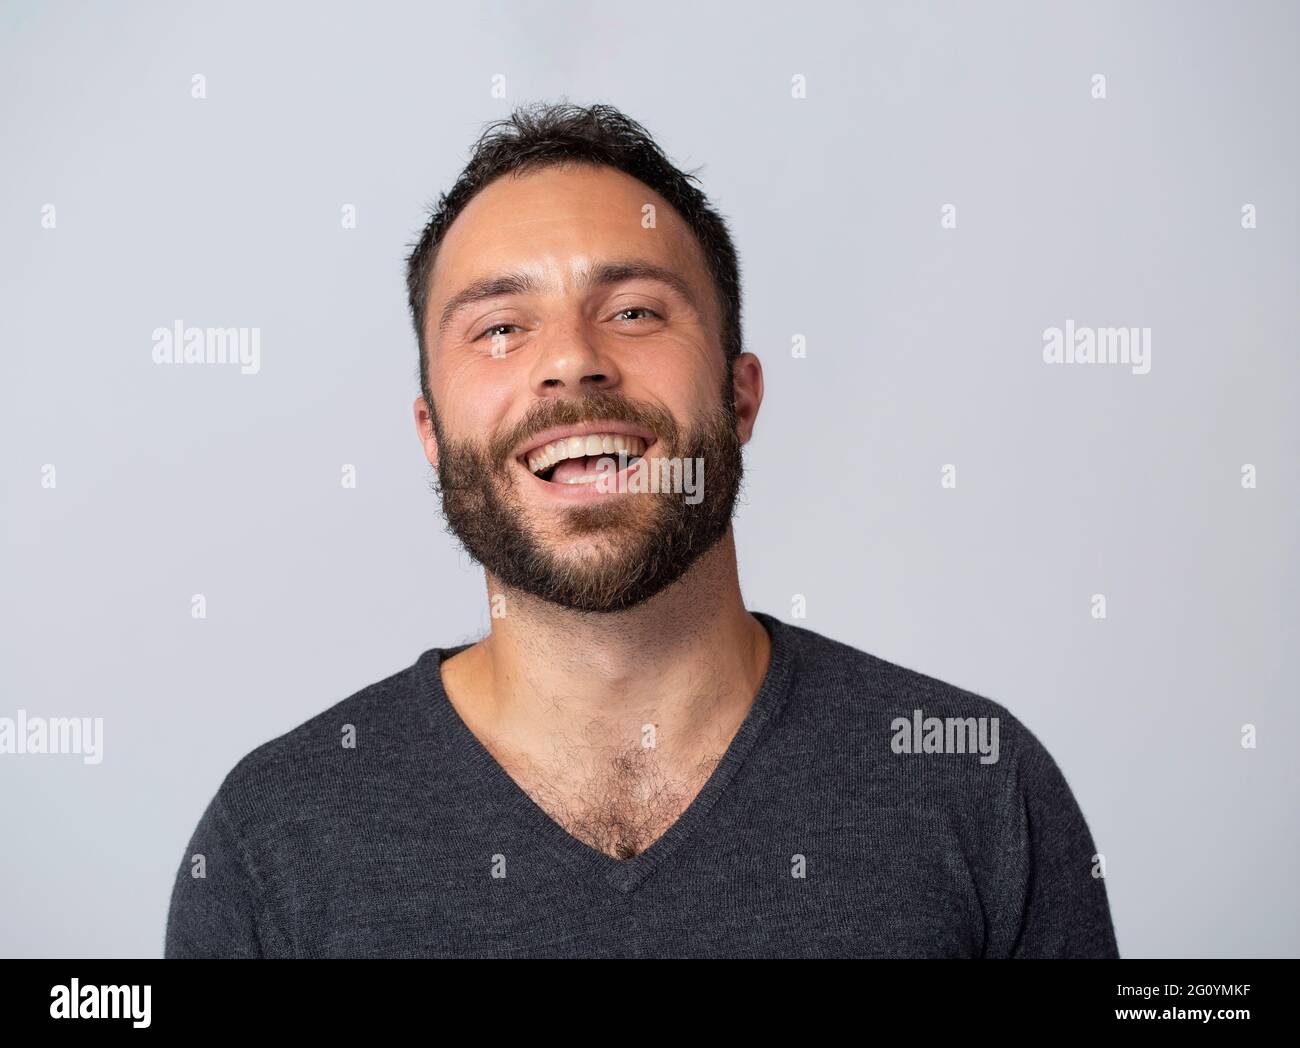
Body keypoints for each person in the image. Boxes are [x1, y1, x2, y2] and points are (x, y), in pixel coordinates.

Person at [165, 102, 1119, 958]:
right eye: (499, 327)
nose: (572, 362)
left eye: (633, 310)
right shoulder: (273, 838)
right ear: (432, 431)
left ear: (739, 397)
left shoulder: (976, 784)